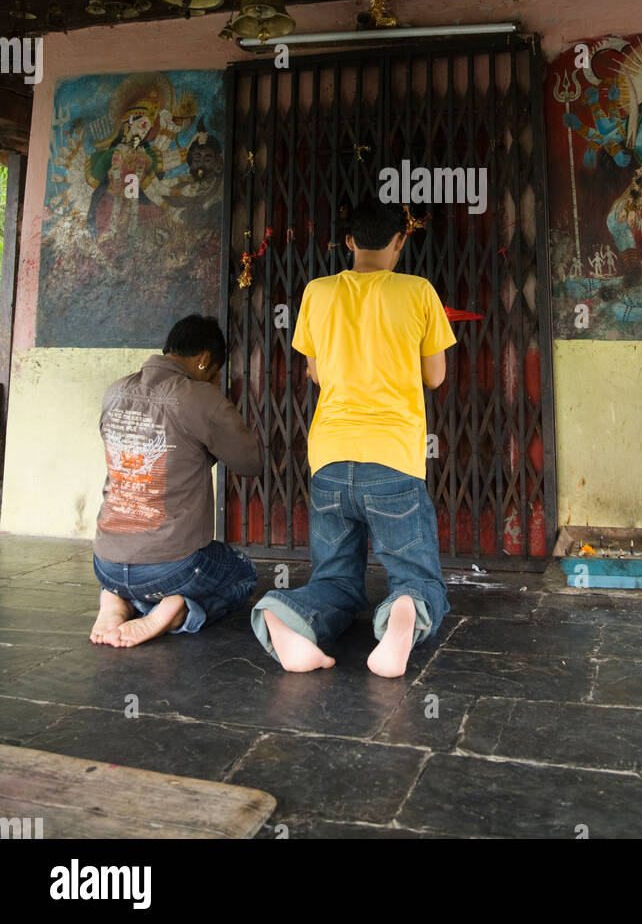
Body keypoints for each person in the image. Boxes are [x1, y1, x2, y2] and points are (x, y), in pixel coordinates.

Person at [251, 198, 456, 678]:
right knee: (416, 576)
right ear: (399, 241)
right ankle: (403, 613)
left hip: (328, 460)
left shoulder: (317, 293)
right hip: (394, 461)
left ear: (349, 242)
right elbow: (435, 378)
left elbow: (316, 371)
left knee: (336, 582)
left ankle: (287, 617)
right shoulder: (418, 290)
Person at [90, 315, 264, 648]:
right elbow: (251, 461)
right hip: (171, 568)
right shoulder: (200, 397)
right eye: (215, 373)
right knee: (242, 573)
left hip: (106, 563)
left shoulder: (114, 392)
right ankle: (179, 610)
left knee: (133, 578)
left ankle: (115, 600)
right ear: (205, 360)